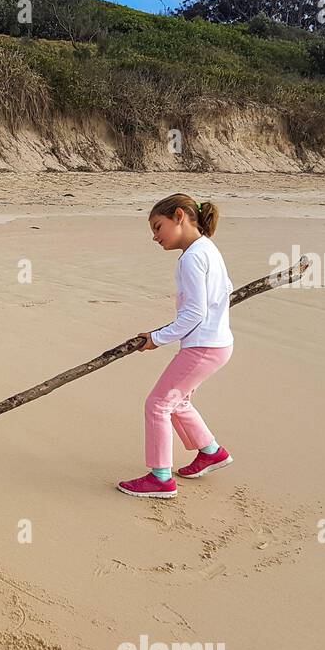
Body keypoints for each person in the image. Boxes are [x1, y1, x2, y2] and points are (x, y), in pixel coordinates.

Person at [117, 194, 234, 499]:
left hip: (204, 347)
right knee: (178, 401)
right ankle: (211, 452)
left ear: (179, 216)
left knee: (158, 404)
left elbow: (195, 313)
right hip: (217, 344)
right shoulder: (207, 249)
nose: (155, 237)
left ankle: (160, 478)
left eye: (158, 227)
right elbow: (225, 291)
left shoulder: (192, 257)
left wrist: (156, 338)